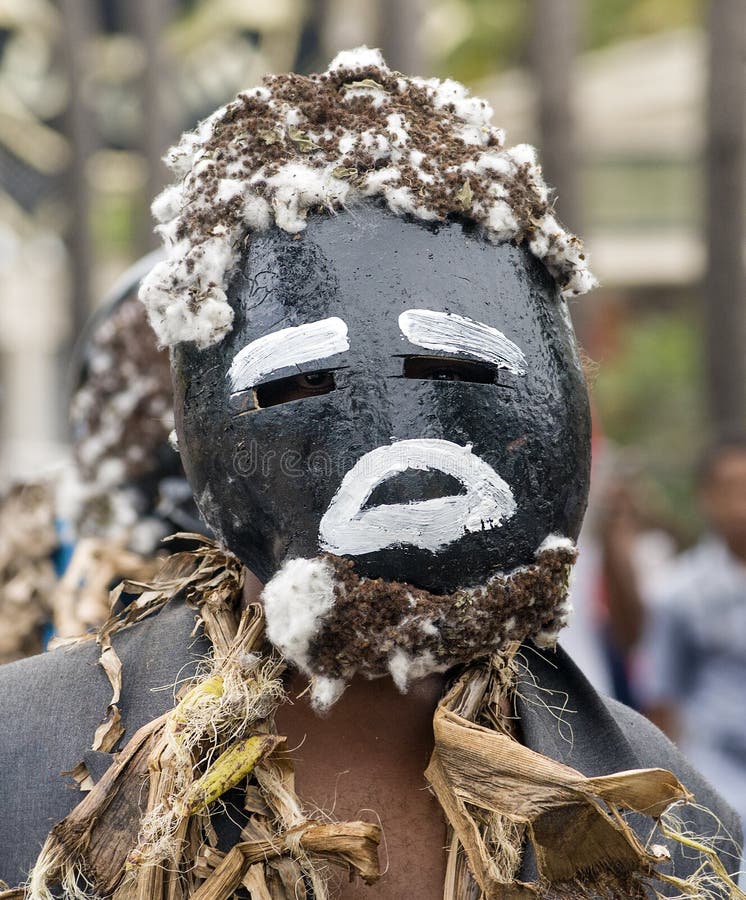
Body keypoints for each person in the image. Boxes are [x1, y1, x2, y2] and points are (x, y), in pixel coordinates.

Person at [0, 49, 741, 899]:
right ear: (200, 427)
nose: (401, 443)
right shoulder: (28, 753)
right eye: (301, 383)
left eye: (460, 369)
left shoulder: (662, 817)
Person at [639, 434, 746, 846]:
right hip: (717, 779)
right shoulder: (678, 593)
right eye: (729, 490)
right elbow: (662, 699)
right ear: (707, 498)